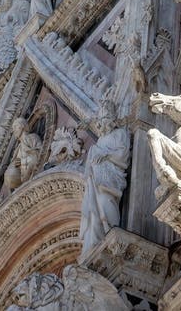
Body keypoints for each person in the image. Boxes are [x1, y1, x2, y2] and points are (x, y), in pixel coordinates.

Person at [80, 102, 130, 257]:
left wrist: (106, 155)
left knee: (105, 201)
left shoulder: (120, 133)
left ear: (113, 118)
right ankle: (96, 241)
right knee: (95, 211)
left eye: (106, 117)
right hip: (97, 180)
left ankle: (113, 233)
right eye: (102, 118)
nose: (103, 121)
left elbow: (124, 155)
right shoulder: (100, 141)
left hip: (111, 179)